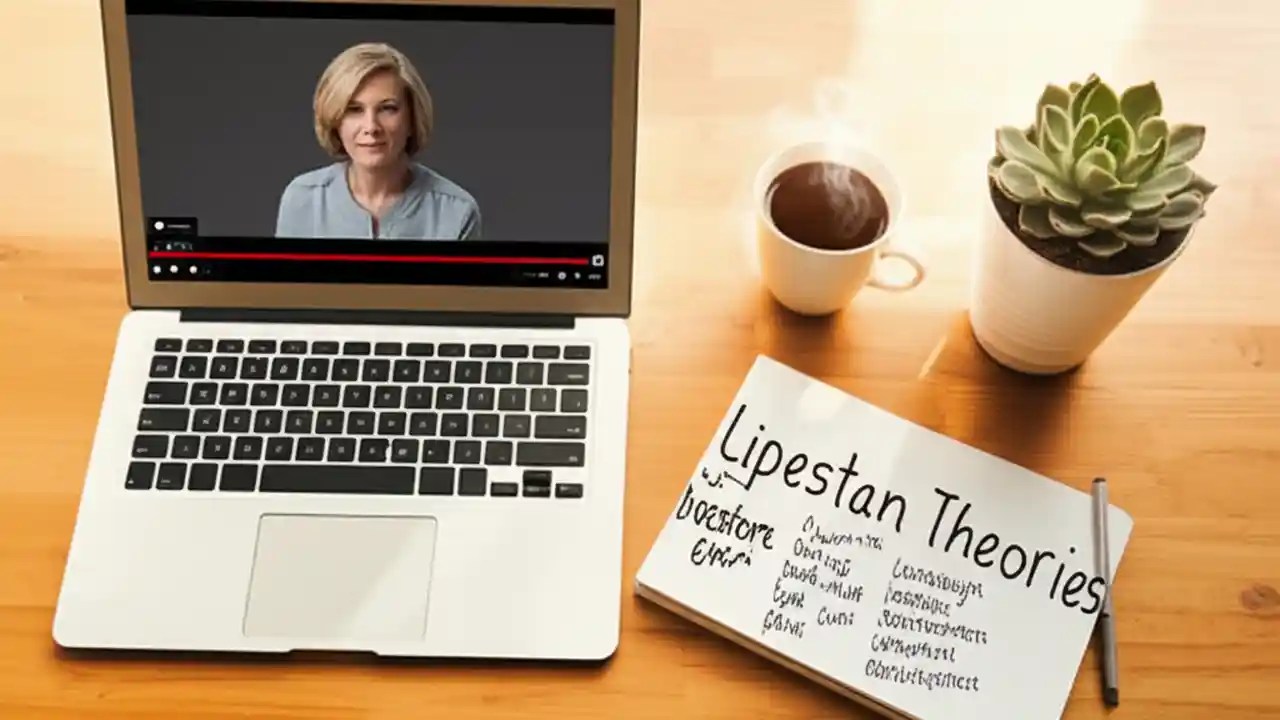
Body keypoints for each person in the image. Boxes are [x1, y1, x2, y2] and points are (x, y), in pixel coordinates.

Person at [275, 42, 481, 240]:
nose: (371, 127)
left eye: (387, 108)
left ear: (412, 118)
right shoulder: (303, 199)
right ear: (335, 120)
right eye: (354, 110)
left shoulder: (457, 212)